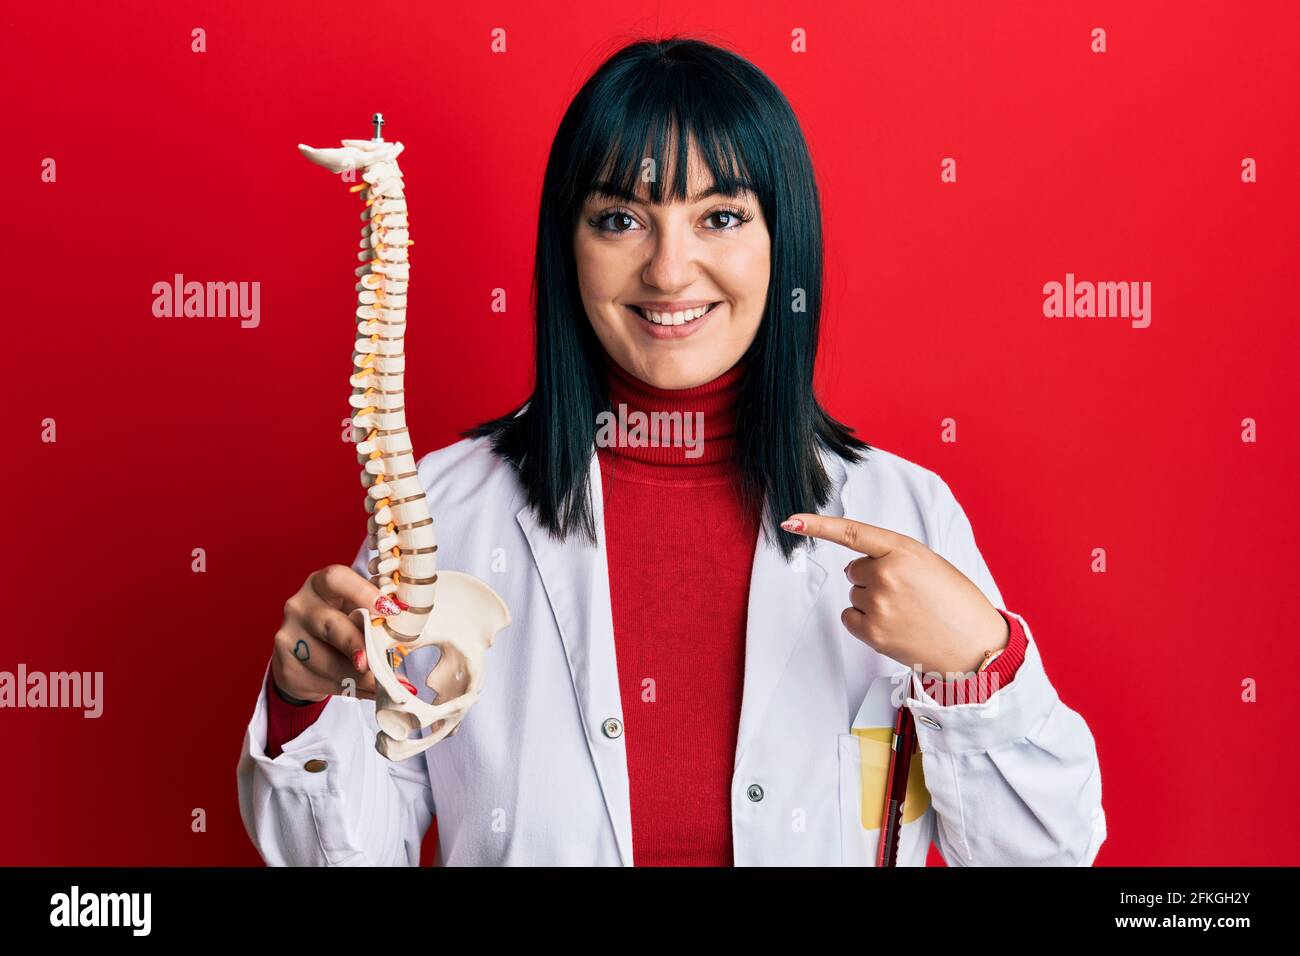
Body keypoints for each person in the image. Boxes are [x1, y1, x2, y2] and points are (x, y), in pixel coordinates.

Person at [237, 36, 1105, 866]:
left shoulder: (901, 512)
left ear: (782, 241)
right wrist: (302, 706)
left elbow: (1047, 854)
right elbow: (340, 858)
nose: (669, 271)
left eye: (721, 216)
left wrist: (979, 669)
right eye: (620, 219)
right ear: (566, 247)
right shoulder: (442, 509)